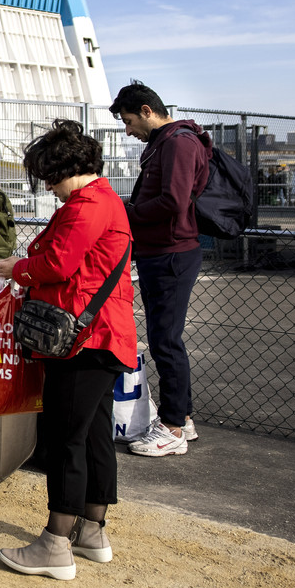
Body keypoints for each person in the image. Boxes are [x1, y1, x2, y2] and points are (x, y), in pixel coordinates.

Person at [0, 119, 136, 580]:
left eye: (50, 177)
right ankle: (92, 531)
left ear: (65, 168)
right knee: (93, 435)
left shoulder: (87, 204)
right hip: (104, 335)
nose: (49, 187)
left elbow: (57, 262)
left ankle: (56, 543)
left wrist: (18, 269)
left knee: (65, 438)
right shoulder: (105, 200)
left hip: (83, 339)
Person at [111, 81, 211, 457]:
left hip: (170, 254)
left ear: (147, 111)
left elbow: (173, 201)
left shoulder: (178, 143)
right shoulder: (169, 143)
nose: (129, 130)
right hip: (163, 253)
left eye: (129, 120)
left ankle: (171, 427)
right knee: (165, 340)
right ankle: (180, 418)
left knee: (166, 342)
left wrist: (128, 213)